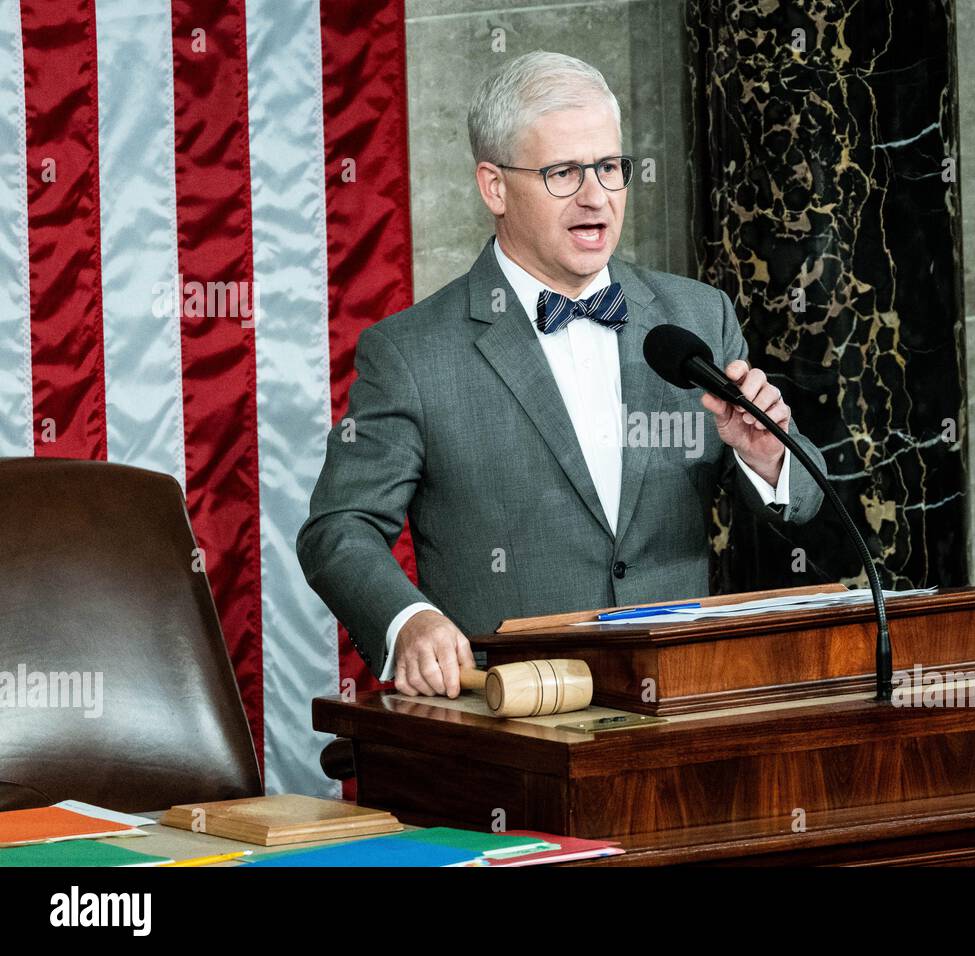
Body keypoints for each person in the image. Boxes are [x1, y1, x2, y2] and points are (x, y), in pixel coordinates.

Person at [298, 51, 825, 700]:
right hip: (513, 722)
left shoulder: (696, 317)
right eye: (563, 172)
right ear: (494, 186)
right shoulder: (411, 353)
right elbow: (338, 529)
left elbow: (802, 506)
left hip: (685, 707)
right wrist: (408, 621)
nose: (595, 196)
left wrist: (769, 458)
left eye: (608, 167)